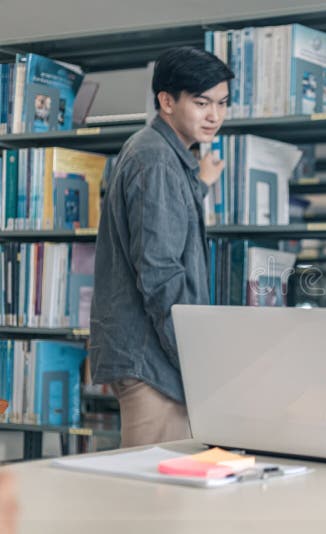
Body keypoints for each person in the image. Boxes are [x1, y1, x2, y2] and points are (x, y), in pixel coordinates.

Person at [90, 47, 233, 447]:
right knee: (153, 499)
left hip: (152, 358)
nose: (214, 116)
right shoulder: (155, 161)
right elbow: (159, 272)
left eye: (222, 104)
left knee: (166, 493)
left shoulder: (160, 155)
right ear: (166, 101)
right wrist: (192, 358)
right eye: (201, 102)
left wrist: (199, 184)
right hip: (154, 361)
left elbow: (165, 225)